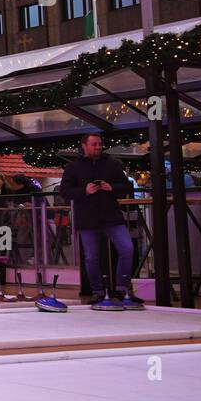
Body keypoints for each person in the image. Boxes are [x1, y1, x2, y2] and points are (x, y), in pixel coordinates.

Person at [55, 133, 138, 313]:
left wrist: (111, 187)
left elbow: (126, 186)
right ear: (84, 146)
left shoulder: (112, 164)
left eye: (99, 144)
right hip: (88, 218)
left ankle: (122, 287)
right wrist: (85, 191)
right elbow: (65, 191)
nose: (98, 147)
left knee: (127, 248)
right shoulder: (73, 167)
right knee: (91, 256)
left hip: (112, 215)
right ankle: (98, 291)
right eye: (94, 144)